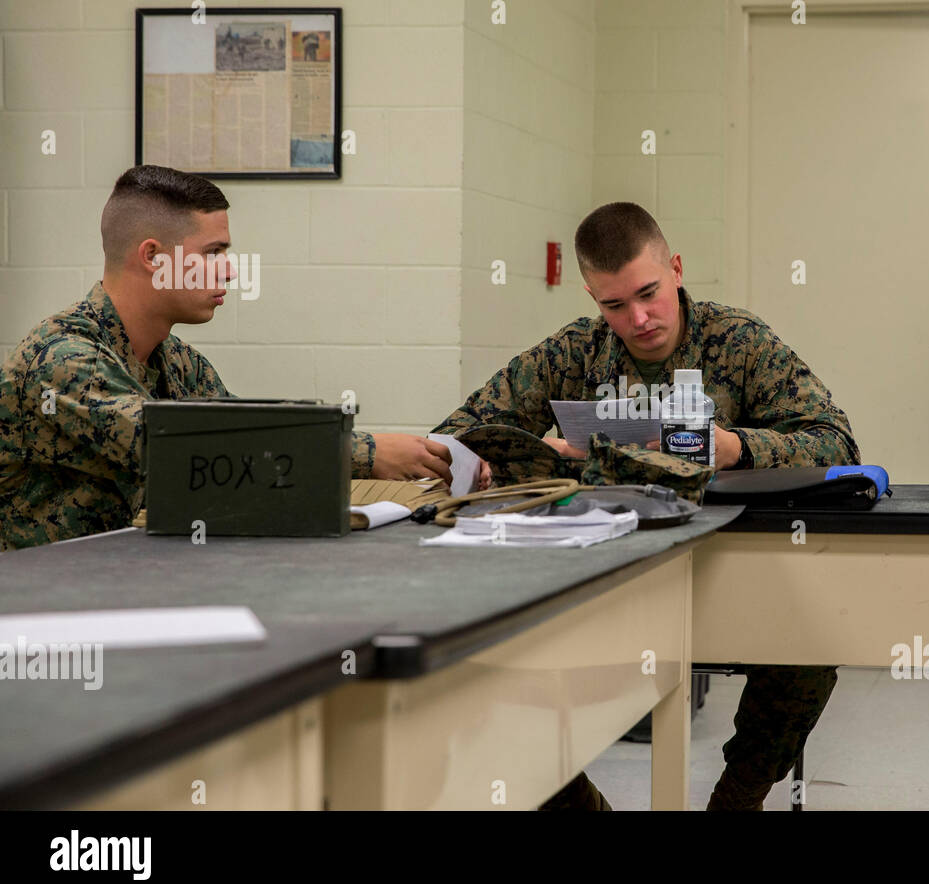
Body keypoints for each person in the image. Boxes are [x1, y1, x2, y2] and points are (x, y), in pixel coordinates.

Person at [430, 202, 859, 810]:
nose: (638, 318)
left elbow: (836, 442)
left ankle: (737, 801)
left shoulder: (738, 342)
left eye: (649, 293)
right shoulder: (575, 353)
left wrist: (737, 447)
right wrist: (540, 455)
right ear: (592, 297)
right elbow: (456, 438)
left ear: (676, 270)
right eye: (614, 305)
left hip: (725, 575)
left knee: (808, 652)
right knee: (489, 673)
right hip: (601, 582)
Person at [0, 165, 450, 552]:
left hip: (129, 582)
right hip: (40, 601)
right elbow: (192, 451)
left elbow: (248, 434)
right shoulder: (62, 358)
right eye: (213, 253)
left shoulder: (178, 362)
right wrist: (368, 452)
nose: (230, 271)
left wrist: (401, 458)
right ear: (153, 257)